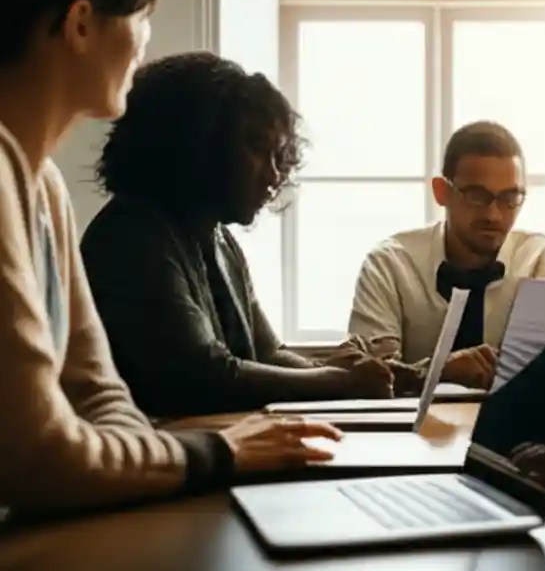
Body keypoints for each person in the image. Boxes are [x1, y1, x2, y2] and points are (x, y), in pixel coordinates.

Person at [0, 0, 338, 513]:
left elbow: (97, 393)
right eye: (142, 18)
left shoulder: (42, 186)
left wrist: (161, 467)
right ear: (79, 24)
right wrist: (220, 453)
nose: (146, 46)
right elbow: (37, 452)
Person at [80, 51, 396, 417]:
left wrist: (363, 375)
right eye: (258, 148)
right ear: (196, 141)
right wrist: (340, 382)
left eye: (280, 156)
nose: (276, 174)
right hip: (158, 461)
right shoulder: (131, 236)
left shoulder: (219, 238)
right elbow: (204, 378)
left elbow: (268, 354)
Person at [349, 121, 545, 389]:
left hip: (516, 426)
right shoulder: (390, 264)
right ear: (441, 192)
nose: (493, 215)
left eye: (510, 198)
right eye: (477, 195)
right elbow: (368, 377)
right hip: (408, 429)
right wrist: (438, 371)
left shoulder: (542, 262)